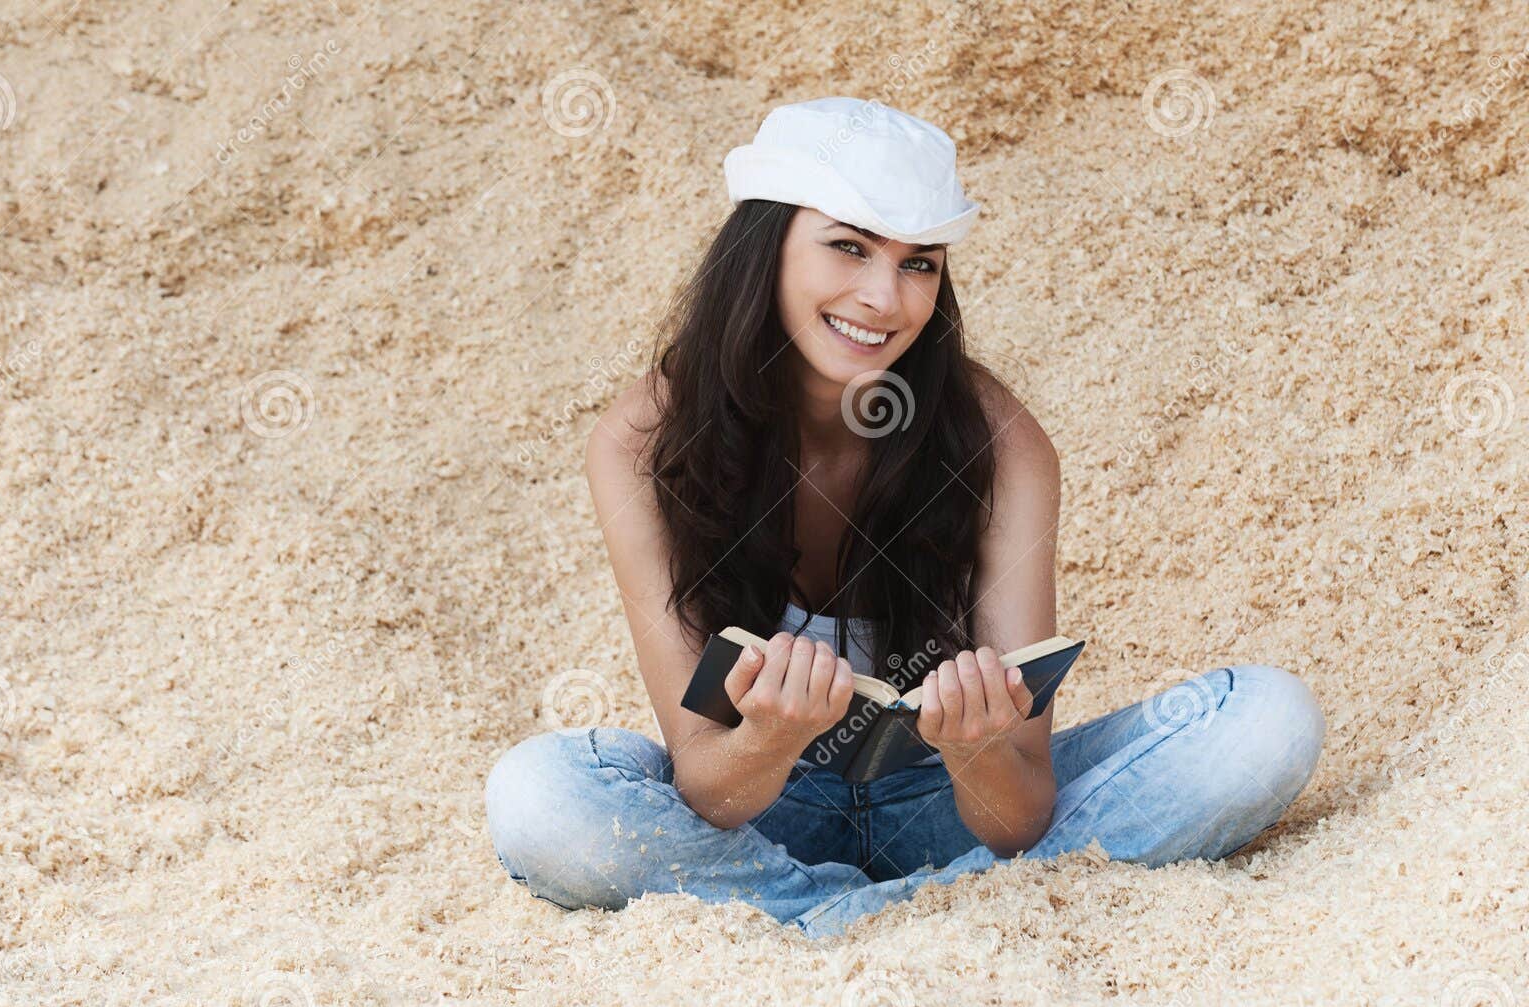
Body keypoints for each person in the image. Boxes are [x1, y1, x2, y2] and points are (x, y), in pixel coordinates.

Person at [487, 96, 1326, 938]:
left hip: (945, 805)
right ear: (764, 247)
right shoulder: (644, 442)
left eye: (919, 263)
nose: (884, 297)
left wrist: (975, 746)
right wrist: (770, 738)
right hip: (757, 816)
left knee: (1265, 724)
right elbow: (709, 786)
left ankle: (824, 922)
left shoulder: (999, 441)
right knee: (540, 798)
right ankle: (933, 915)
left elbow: (1020, 811)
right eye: (848, 247)